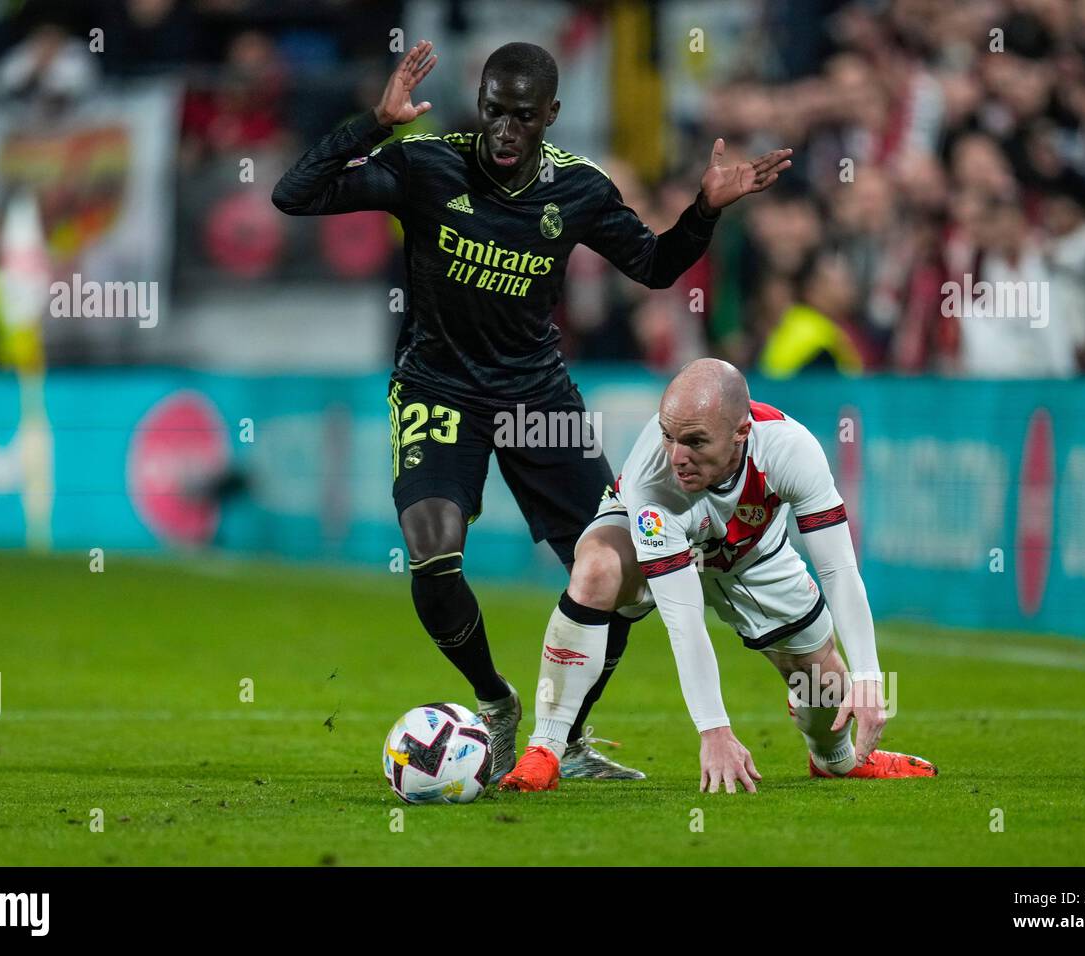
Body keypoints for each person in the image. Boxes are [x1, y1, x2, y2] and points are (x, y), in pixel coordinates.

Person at [272, 40, 793, 783]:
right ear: (479, 105)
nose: (506, 131)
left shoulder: (578, 189)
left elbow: (654, 265)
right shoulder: (427, 166)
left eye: (523, 116)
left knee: (620, 571)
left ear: (551, 114)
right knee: (432, 547)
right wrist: (373, 125)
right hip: (438, 389)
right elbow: (294, 194)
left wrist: (705, 208)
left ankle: (567, 739)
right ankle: (495, 703)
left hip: (536, 398)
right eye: (494, 113)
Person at [501, 358, 938, 792]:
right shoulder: (652, 481)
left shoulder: (790, 450)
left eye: (694, 441)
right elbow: (685, 618)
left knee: (824, 683)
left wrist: (867, 677)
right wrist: (714, 731)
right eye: (668, 437)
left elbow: (839, 570)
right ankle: (546, 748)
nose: (678, 456)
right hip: (662, 541)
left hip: (752, 551)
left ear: (741, 432)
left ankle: (835, 760)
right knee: (597, 568)